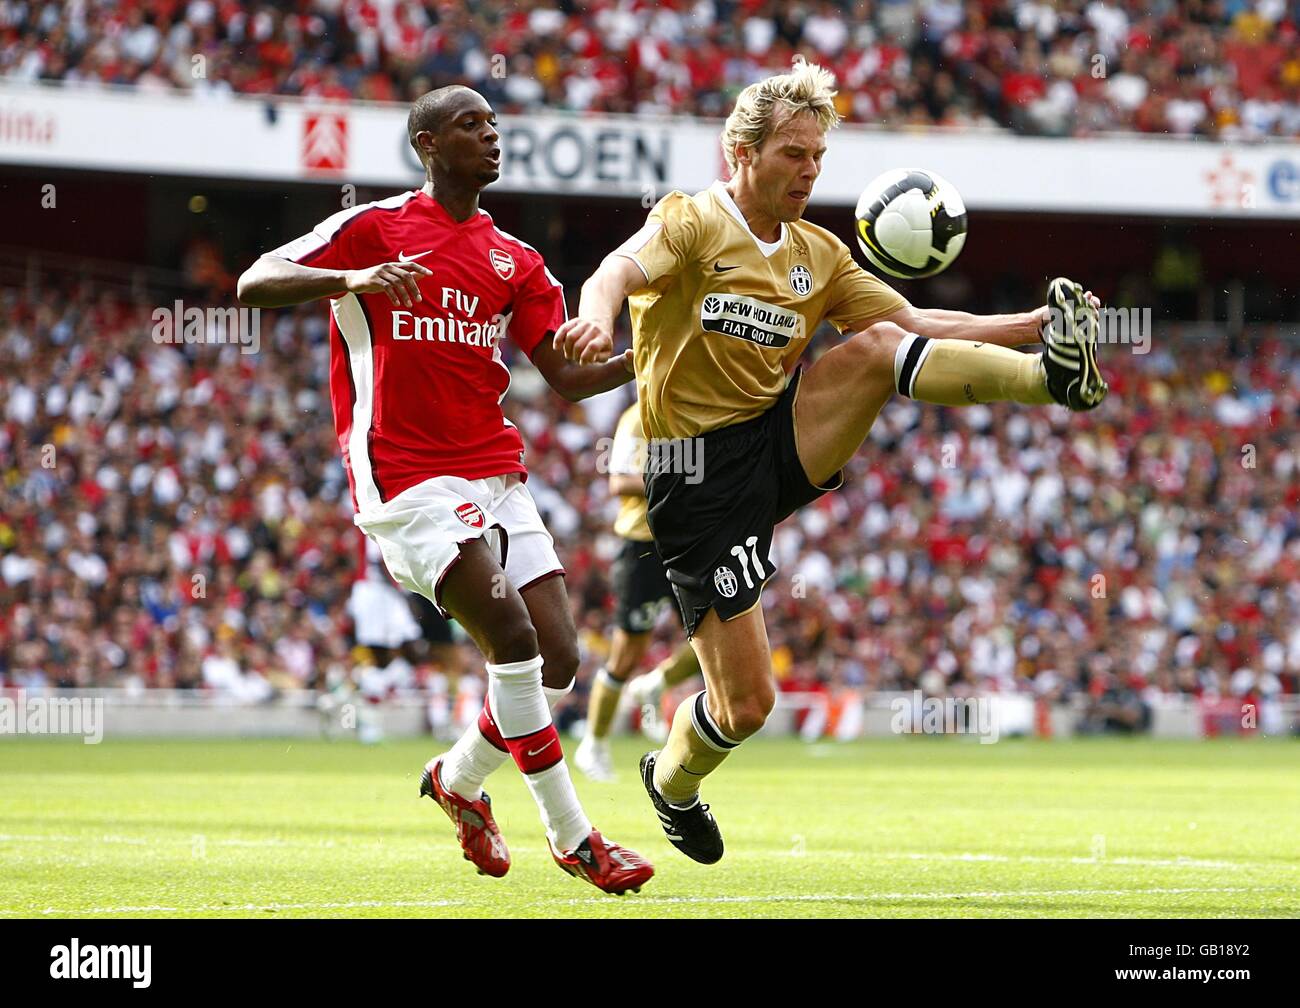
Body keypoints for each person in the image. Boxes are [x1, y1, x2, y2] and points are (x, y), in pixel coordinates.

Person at [554, 57, 1107, 865]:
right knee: (746, 705)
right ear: (741, 154)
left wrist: (1030, 327)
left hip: (775, 441)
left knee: (881, 344)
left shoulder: (820, 252)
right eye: (793, 155)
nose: (809, 172)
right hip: (693, 477)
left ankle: (1047, 380)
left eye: (817, 157)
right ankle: (670, 783)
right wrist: (597, 320)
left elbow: (917, 320)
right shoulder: (690, 222)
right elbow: (614, 273)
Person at [238, 85, 653, 894]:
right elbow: (255, 282)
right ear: (428, 145)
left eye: (495, 125)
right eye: (471, 125)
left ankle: (457, 781)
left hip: (495, 471)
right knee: (512, 638)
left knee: (560, 658)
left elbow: (566, 377)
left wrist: (650, 356)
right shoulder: (376, 226)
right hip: (404, 472)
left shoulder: (516, 259)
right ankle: (575, 838)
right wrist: (355, 278)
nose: (491, 137)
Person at [574, 401, 701, 782]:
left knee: (710, 643)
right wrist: (674, 480)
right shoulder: (636, 417)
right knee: (626, 655)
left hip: (686, 544)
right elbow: (619, 481)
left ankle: (656, 684)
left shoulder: (691, 413)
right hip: (640, 548)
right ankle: (592, 744)